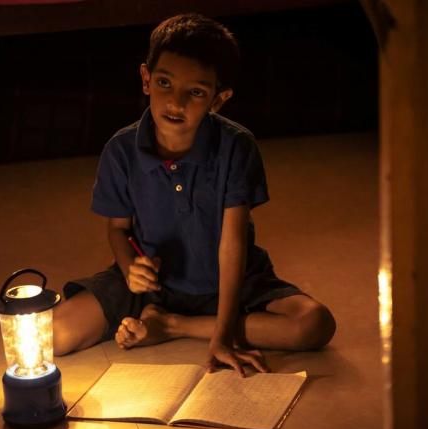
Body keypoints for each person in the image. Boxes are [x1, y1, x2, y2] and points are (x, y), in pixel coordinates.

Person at [54, 13, 336, 376]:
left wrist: (223, 334)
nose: (176, 102)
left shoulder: (236, 147)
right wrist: (130, 271)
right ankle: (160, 313)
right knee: (56, 333)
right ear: (145, 79)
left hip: (230, 280)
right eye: (165, 83)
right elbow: (117, 229)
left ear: (219, 99)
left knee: (314, 324)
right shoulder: (121, 150)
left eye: (196, 92)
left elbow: (232, 241)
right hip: (152, 286)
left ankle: (172, 326)